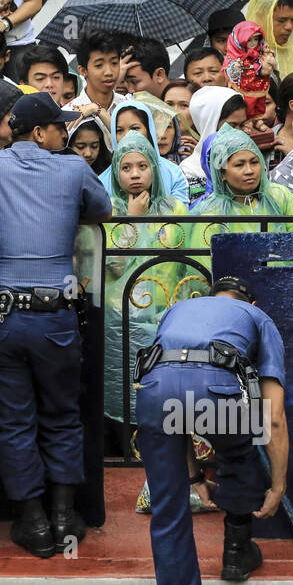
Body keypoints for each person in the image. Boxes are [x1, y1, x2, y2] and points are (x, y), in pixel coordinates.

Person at [0, 92, 111, 557]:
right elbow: (101, 209)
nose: (66, 135)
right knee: (63, 416)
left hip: (1, 317)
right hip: (57, 318)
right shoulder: (72, 169)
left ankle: (32, 522)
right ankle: (65, 517)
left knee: (12, 421)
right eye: (59, 128)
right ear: (39, 132)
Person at [133, 276, 287, 585]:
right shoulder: (259, 317)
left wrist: (194, 479)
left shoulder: (179, 309)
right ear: (252, 303)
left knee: (168, 509)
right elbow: (273, 420)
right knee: (239, 449)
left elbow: (180, 412)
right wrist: (278, 485)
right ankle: (236, 551)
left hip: (155, 392)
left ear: (211, 296)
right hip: (216, 391)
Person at [101, 129, 187, 428]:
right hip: (120, 316)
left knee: (165, 386)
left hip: (168, 312)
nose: (135, 175)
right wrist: (133, 219)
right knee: (124, 382)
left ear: (154, 167)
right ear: (116, 173)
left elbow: (185, 262)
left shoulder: (175, 208)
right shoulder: (109, 209)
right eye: (126, 168)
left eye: (142, 166)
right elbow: (112, 265)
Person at [190, 123, 293, 240]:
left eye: (254, 162)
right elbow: (202, 257)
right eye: (239, 165)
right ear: (222, 173)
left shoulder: (279, 196)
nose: (249, 171)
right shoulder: (211, 212)